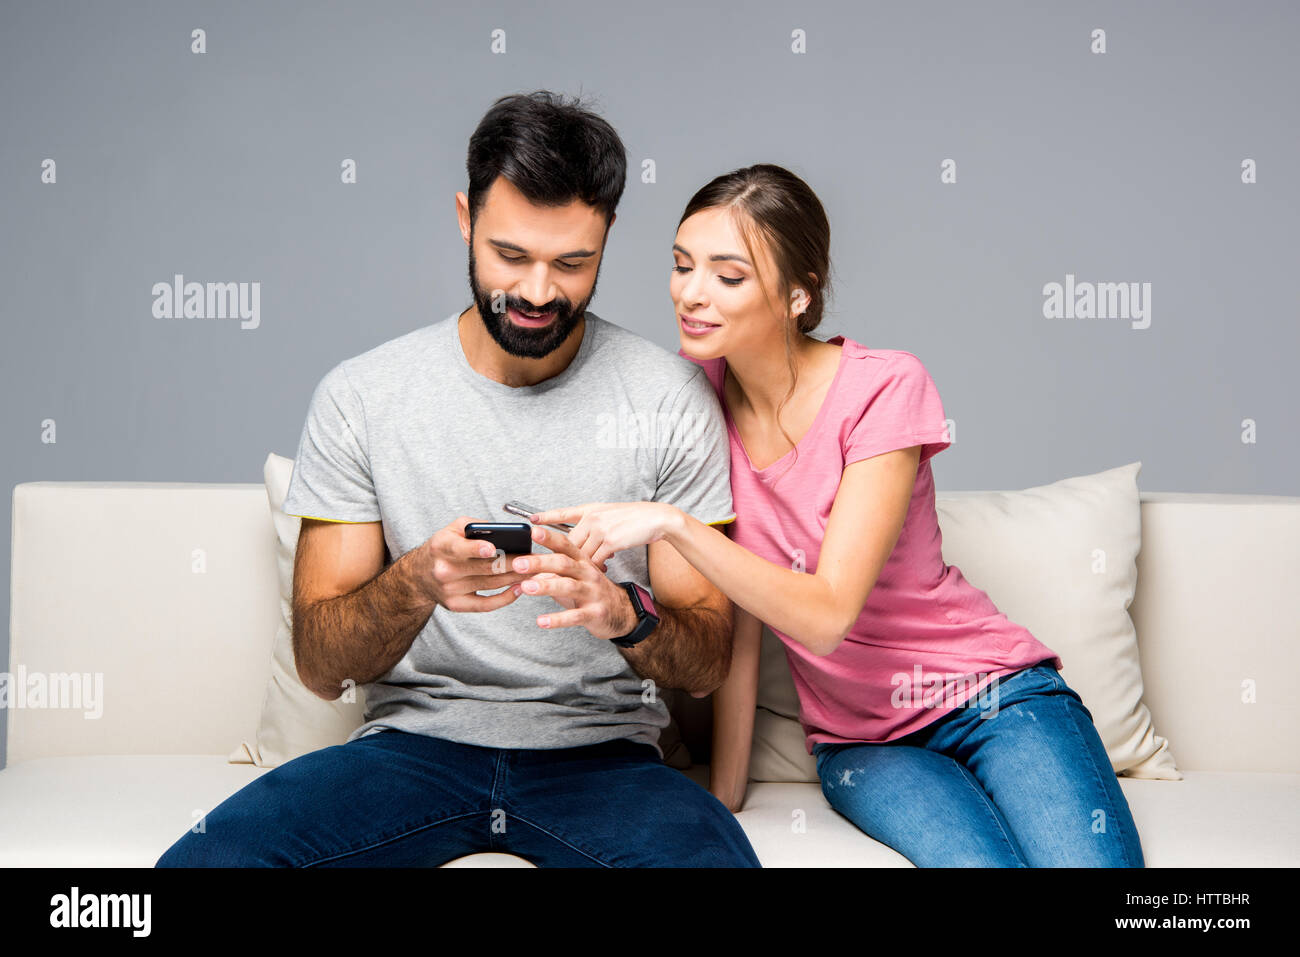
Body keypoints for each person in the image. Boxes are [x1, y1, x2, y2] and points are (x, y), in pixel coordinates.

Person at [155, 90, 761, 868]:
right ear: (465, 219)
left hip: (603, 761)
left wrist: (622, 611)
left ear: (607, 237)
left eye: (572, 263)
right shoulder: (363, 396)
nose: (540, 292)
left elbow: (708, 660)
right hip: (411, 751)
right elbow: (318, 660)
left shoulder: (669, 398)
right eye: (511, 256)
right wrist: (414, 582)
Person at [527, 163, 1146, 867]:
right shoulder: (693, 399)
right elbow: (748, 612)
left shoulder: (884, 386)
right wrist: (726, 794)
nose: (692, 295)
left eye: (728, 276)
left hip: (992, 697)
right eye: (681, 265)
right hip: (862, 743)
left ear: (797, 294)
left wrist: (673, 523)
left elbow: (824, 613)